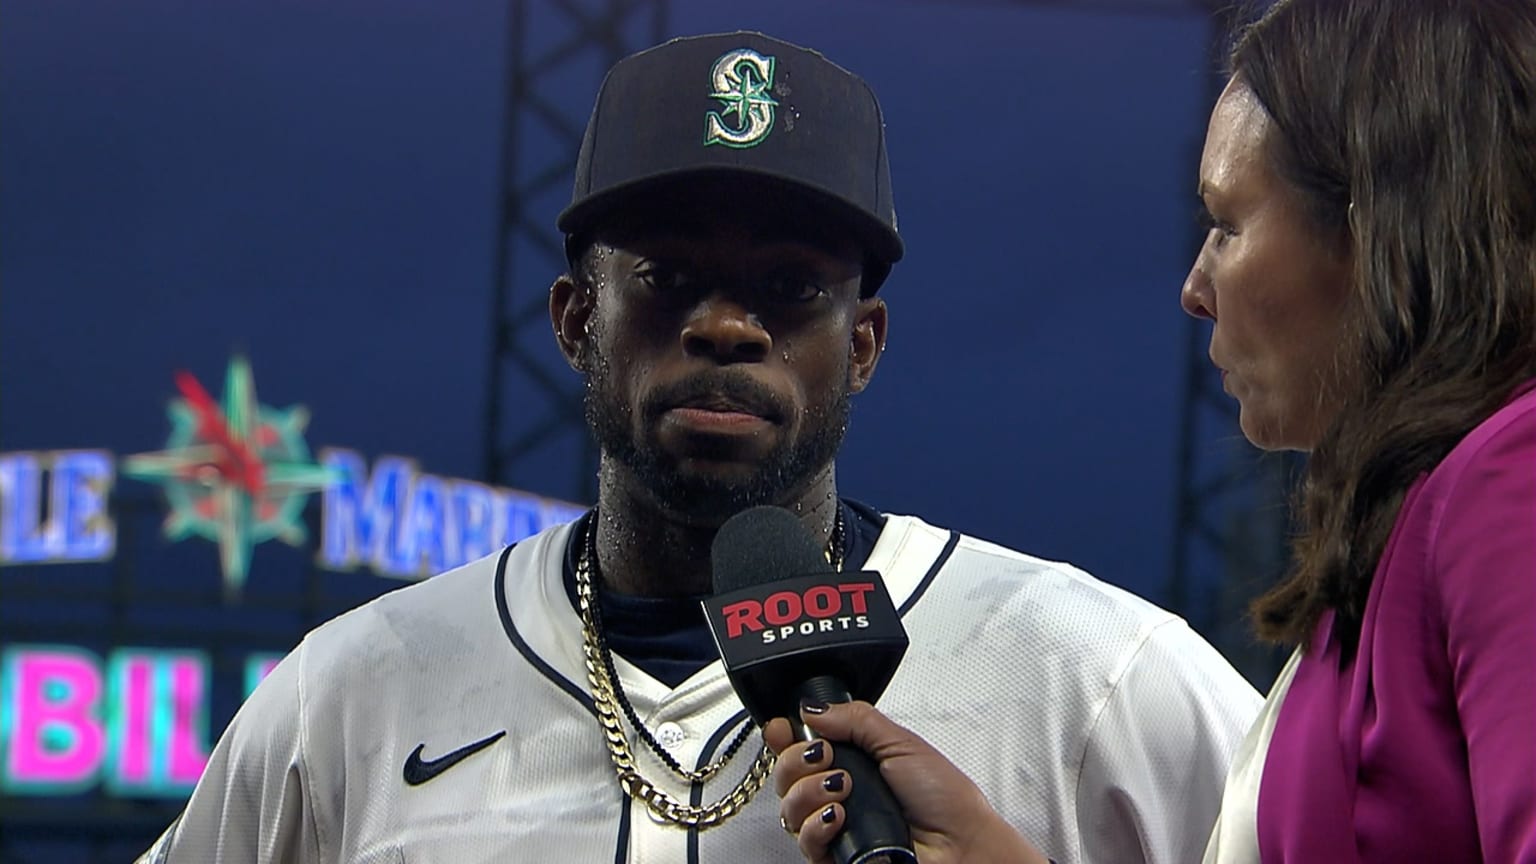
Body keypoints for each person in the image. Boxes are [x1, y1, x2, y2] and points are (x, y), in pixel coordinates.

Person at [136, 31, 1260, 863]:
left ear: (864, 345)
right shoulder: (347, 698)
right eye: (668, 277)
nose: (726, 326)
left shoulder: (1090, 677)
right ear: (576, 320)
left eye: (792, 288)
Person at [770, 1, 1536, 862]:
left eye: (1227, 224)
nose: (1195, 288)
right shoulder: (1412, 529)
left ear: (1378, 226)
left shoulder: (1508, 482)